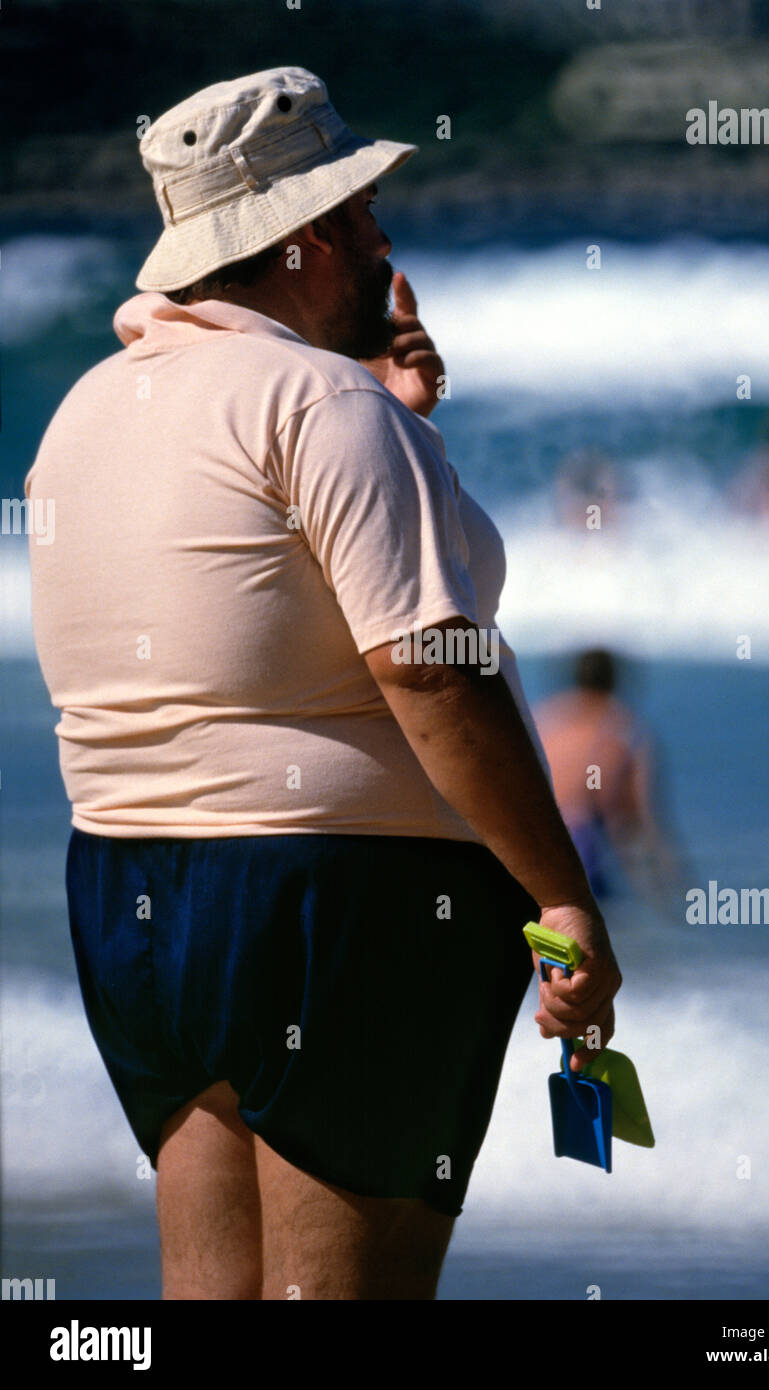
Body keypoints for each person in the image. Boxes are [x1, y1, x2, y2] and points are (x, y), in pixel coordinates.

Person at [24, 67, 621, 1301]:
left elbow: (245, 617)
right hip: (343, 899)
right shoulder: (323, 400)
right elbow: (427, 666)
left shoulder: (85, 411)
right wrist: (560, 892)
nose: (382, 240)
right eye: (358, 218)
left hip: (132, 890)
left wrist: (408, 425)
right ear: (300, 244)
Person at [534, 648, 681, 903]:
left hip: (525, 834)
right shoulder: (623, 729)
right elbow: (637, 815)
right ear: (616, 681)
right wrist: (668, 877)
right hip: (577, 843)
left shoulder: (544, 716)